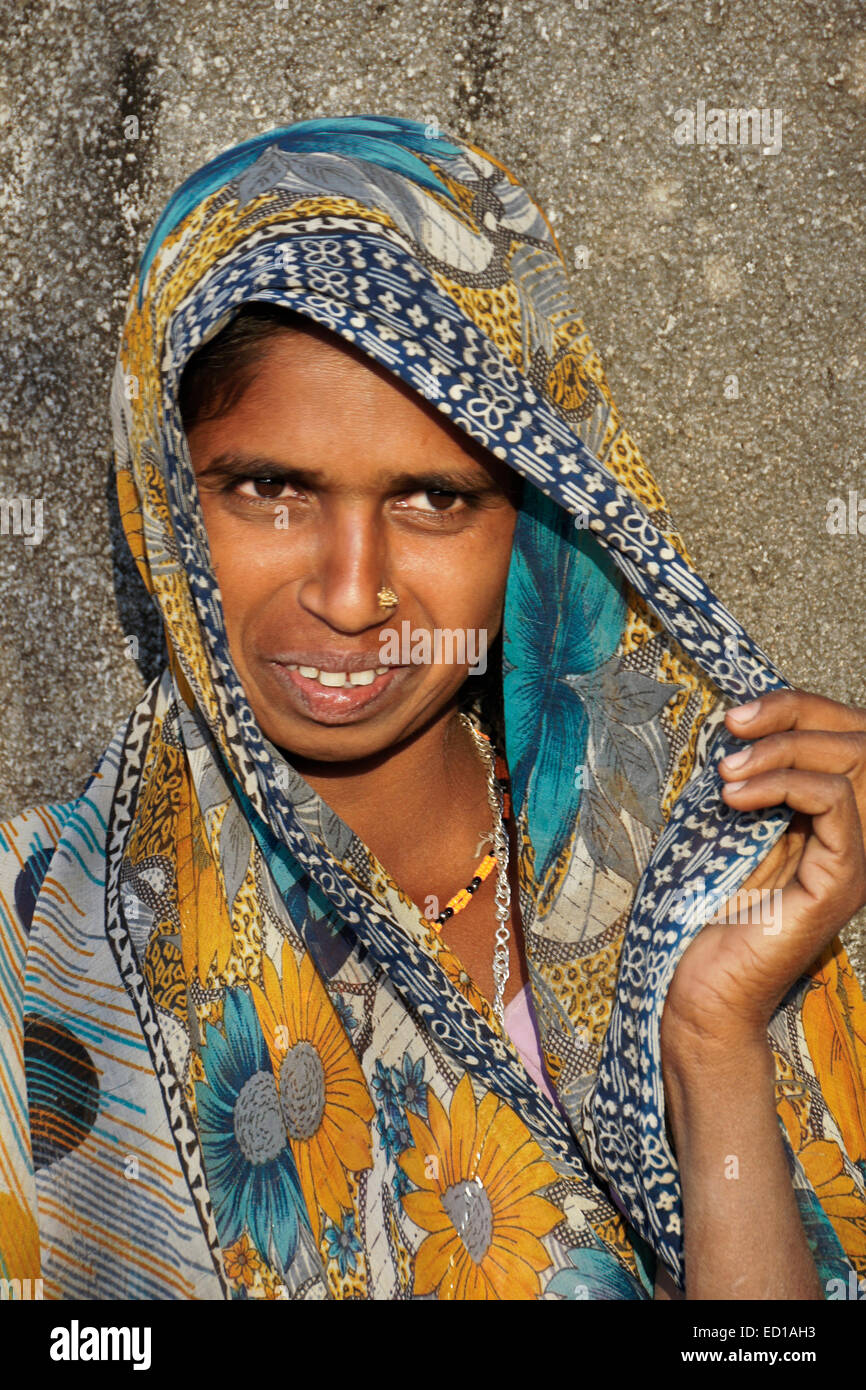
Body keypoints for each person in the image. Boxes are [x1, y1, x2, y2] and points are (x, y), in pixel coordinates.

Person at [1, 114, 865, 1302]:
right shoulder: (33, 947)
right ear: (163, 489)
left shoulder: (696, 885)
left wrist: (713, 1042)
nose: (352, 596)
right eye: (268, 488)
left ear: (536, 519)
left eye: (432, 499)